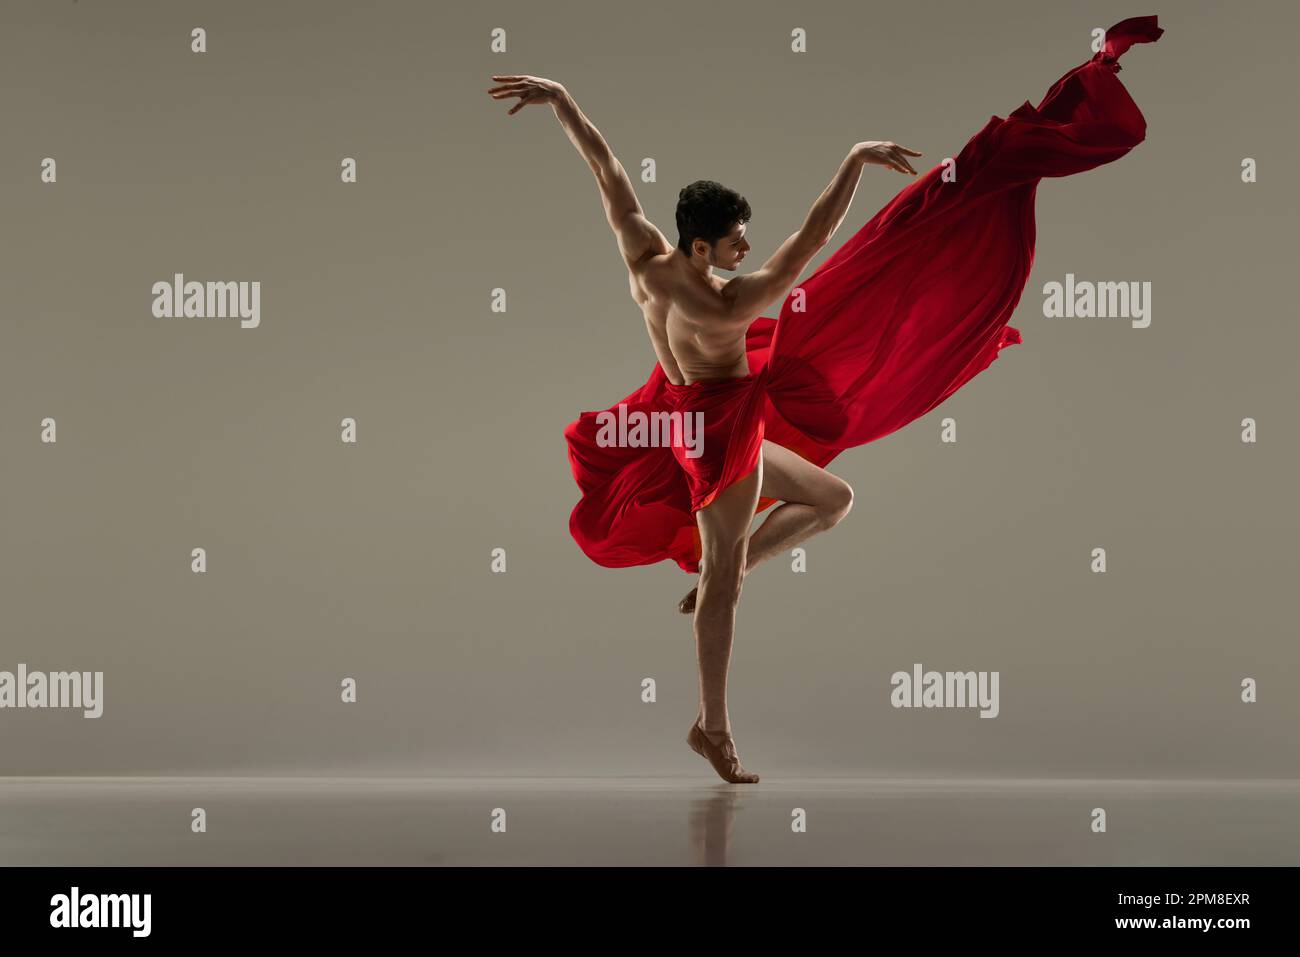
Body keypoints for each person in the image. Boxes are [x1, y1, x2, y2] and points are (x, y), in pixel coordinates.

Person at [487, 15, 1163, 784]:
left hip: (694, 416)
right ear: (704, 246)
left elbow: (608, 174)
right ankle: (714, 724)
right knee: (724, 589)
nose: (748, 245)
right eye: (737, 237)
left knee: (832, 499)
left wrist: (563, 100)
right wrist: (851, 161)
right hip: (721, 437)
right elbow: (816, 237)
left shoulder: (646, 258)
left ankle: (727, 573)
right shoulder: (731, 302)